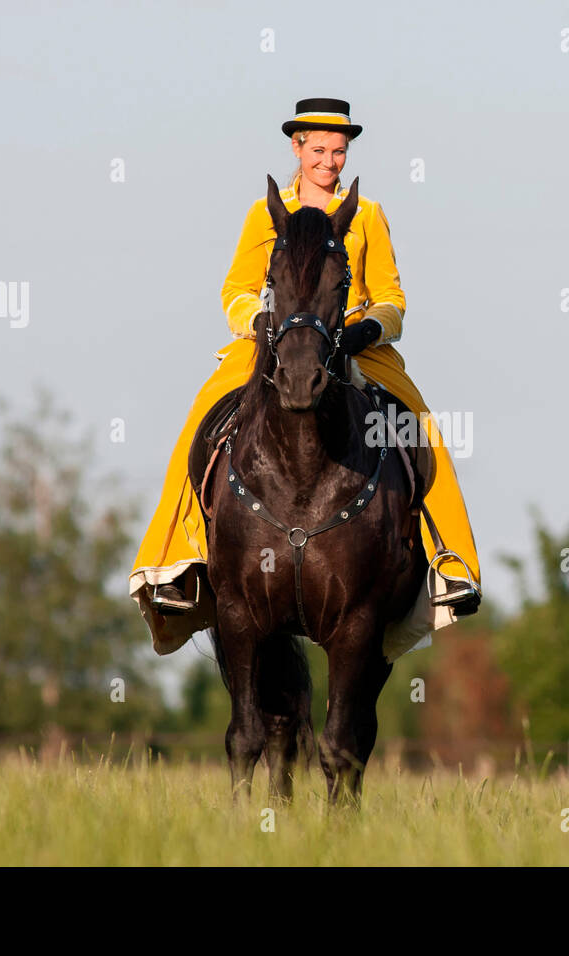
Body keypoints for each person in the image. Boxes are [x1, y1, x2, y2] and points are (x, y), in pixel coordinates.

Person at [128, 97, 480, 642]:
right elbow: (235, 290)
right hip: (274, 340)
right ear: (297, 148)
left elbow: (390, 297)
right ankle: (179, 560)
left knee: (420, 427)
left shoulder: (366, 215)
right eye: (319, 150)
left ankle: (448, 561)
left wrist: (369, 329)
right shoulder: (264, 213)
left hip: (355, 344)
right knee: (202, 416)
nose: (329, 162)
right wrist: (260, 323)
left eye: (339, 152)